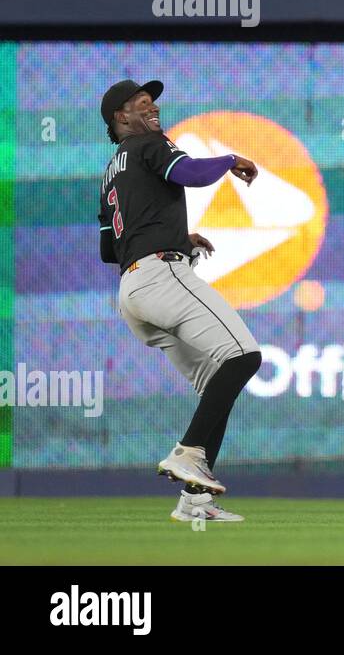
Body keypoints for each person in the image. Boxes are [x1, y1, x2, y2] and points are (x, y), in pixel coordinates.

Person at [98, 80, 264, 522]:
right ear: (120, 118)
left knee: (218, 382)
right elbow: (190, 173)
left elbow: (109, 249)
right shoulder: (149, 143)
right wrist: (230, 159)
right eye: (140, 103)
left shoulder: (113, 168)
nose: (152, 107)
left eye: (152, 102)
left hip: (131, 292)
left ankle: (195, 499)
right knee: (244, 355)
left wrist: (179, 237)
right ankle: (188, 454)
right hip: (161, 274)